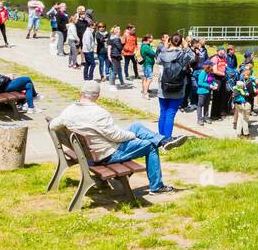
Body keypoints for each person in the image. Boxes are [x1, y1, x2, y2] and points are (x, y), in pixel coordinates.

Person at [52, 81, 189, 195]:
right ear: (98, 96)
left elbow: (52, 125)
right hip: (105, 155)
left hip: (88, 153)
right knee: (149, 145)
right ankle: (157, 187)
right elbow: (116, 136)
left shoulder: (69, 110)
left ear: (80, 94)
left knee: (136, 126)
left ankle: (164, 141)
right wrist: (133, 136)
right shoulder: (98, 113)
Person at [155, 34, 189, 139]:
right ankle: (168, 138)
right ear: (181, 42)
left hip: (164, 87)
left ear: (170, 41)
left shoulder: (164, 54)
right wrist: (186, 46)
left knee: (163, 112)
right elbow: (192, 58)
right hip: (178, 88)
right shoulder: (183, 55)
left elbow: (158, 61)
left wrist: (165, 47)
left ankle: (161, 138)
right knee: (170, 113)